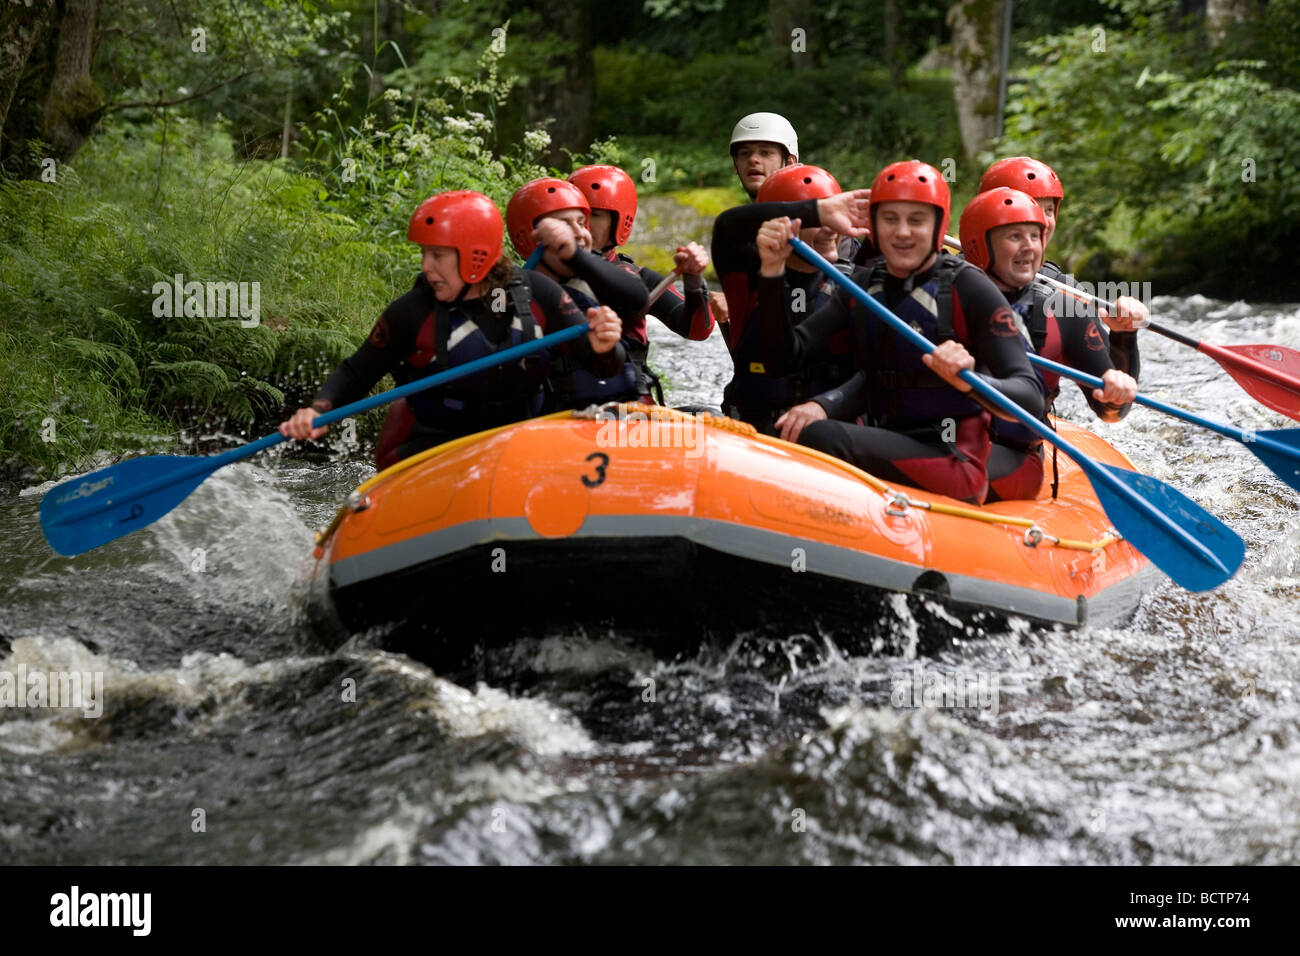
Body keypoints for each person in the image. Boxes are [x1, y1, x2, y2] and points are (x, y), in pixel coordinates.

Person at [753, 160, 1044, 505]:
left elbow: (1030, 398)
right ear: (874, 225)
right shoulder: (862, 285)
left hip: (953, 463)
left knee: (819, 435)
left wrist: (971, 381)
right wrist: (771, 273)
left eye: (916, 220)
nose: (902, 232)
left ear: (937, 226)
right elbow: (784, 358)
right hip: (883, 438)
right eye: (890, 219)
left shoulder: (968, 287)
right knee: (796, 428)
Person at [280, 190, 625, 467]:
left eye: (437, 256)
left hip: (521, 442)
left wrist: (605, 344)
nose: (426, 267)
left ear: (476, 255)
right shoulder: (412, 312)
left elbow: (604, 367)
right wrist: (318, 411)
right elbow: (356, 373)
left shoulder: (539, 294)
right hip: (432, 448)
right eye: (425, 255)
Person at [959, 187, 1139, 501]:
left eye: (1045, 213)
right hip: (941, 435)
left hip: (1009, 446)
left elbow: (1112, 410)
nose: (1039, 223)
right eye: (1014, 227)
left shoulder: (1064, 302)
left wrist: (1124, 335)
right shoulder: (943, 281)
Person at [715, 164, 860, 434]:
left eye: (835, 216)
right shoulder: (746, 276)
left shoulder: (860, 279)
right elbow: (727, 225)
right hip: (752, 433)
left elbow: (873, 375)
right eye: (819, 220)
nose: (830, 228)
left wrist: (825, 405)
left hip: (831, 434)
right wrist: (817, 211)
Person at [977, 155, 1145, 368]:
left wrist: (1124, 335)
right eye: (1031, 208)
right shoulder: (952, 279)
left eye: (1049, 210)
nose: (1044, 222)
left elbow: (1114, 399)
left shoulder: (1065, 293)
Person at [568, 164, 714, 401]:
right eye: (575, 215)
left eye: (594, 215)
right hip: (560, 407)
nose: (582, 225)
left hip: (628, 405)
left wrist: (694, 280)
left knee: (707, 414)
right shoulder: (543, 275)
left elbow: (698, 330)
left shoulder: (638, 279)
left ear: (619, 223)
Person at [506, 177, 650, 407]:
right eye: (563, 225)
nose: (579, 233)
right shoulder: (510, 290)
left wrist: (574, 253)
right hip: (553, 425)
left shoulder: (603, 276)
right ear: (528, 239)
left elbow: (637, 299)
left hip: (621, 415)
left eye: (582, 223)